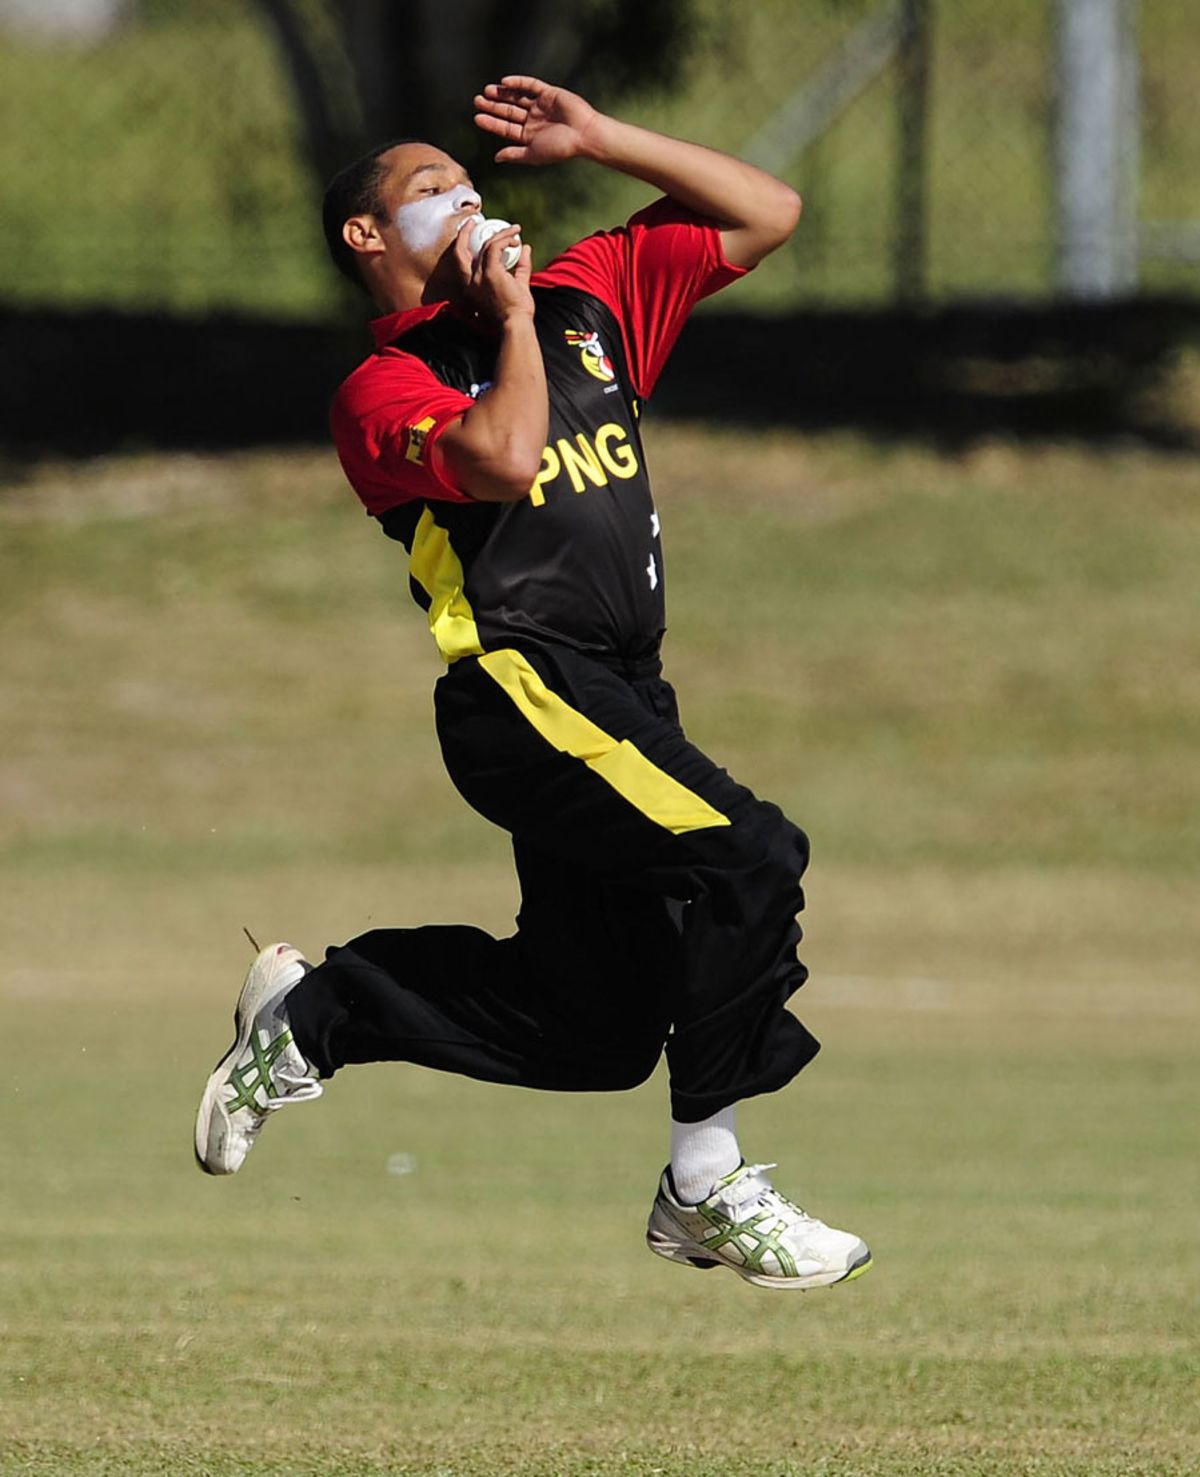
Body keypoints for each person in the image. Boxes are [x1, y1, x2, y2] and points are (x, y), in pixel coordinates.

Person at [193, 76, 871, 1292]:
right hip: (521, 688)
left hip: (621, 691)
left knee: (597, 1031)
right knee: (752, 855)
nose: (462, 199)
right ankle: (706, 1183)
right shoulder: (383, 389)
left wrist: (600, 139)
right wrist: (508, 319)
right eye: (425, 190)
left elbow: (767, 209)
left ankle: (322, 1014)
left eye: (469, 181)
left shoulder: (583, 300)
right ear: (365, 237)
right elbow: (505, 460)